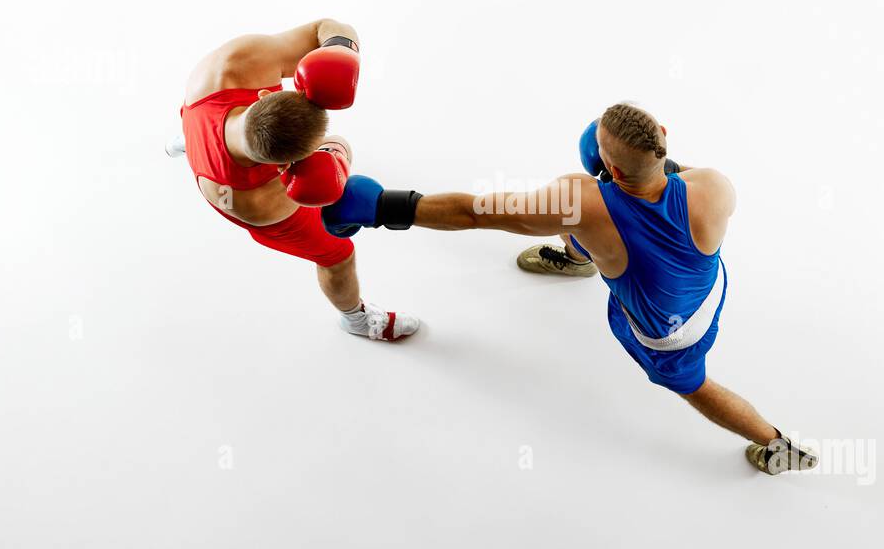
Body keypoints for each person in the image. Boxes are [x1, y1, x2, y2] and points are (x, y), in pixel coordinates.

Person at [320, 103, 814, 474]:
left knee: (691, 386)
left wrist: (385, 206)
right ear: (663, 136)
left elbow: (474, 212)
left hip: (669, 337)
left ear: (614, 170)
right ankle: (578, 260)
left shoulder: (580, 201)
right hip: (710, 289)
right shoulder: (715, 184)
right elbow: (656, 186)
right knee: (577, 206)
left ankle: (777, 444)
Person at [174, 19, 418, 341]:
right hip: (228, 190)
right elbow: (328, 182)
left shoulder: (239, 61)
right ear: (285, 167)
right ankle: (355, 319)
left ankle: (190, 141)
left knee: (194, 122)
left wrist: (339, 49)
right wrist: (337, 154)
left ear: (263, 96)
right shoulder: (259, 200)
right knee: (336, 255)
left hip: (199, 107)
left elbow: (326, 25)